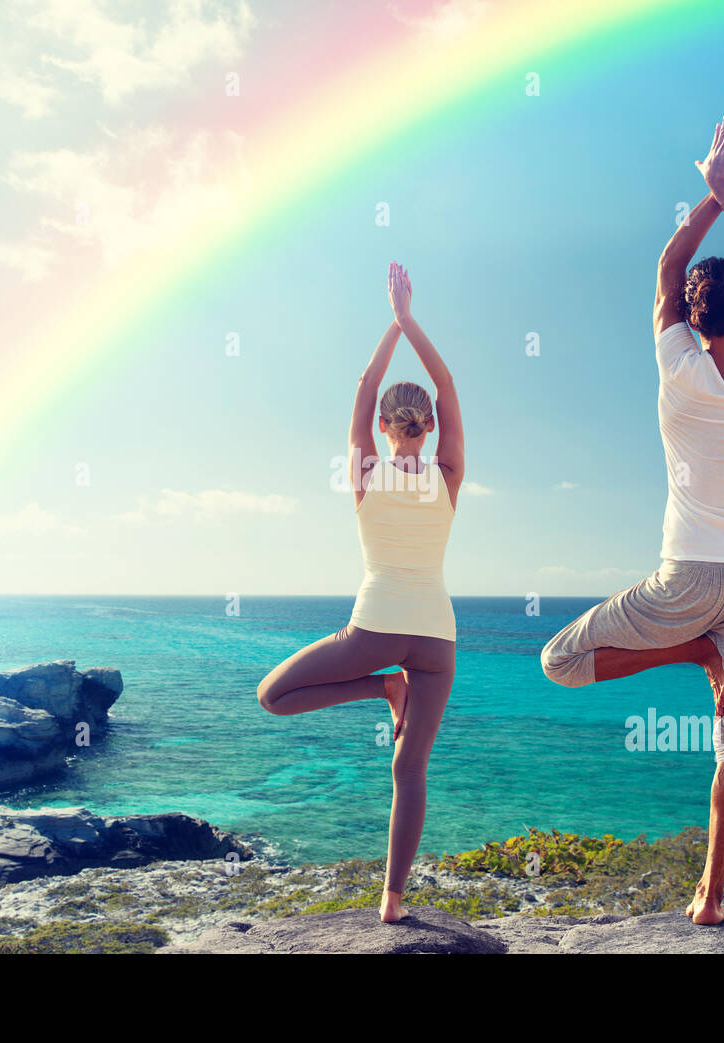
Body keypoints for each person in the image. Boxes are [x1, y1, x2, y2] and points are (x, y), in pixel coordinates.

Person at [540, 113, 724, 925]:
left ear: (690, 317)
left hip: (686, 577)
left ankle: (693, 652)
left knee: (558, 661)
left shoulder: (675, 365)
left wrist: (708, 193)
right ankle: (711, 897)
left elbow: (668, 263)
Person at [257, 262, 465, 923]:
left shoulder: (365, 473)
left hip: (374, 627)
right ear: (428, 427)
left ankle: (379, 687)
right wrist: (412, 321)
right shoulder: (448, 475)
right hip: (436, 637)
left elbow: (366, 382)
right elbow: (449, 383)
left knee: (273, 695)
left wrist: (391, 321)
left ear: (382, 427)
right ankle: (393, 902)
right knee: (409, 773)